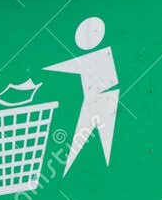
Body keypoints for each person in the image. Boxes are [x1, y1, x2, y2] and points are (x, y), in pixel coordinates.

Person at [44, 16, 118, 175]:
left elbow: (77, 65)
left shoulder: (103, 55)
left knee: (93, 141)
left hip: (103, 98)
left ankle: (96, 172)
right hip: (96, 98)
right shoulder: (99, 55)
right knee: (85, 143)